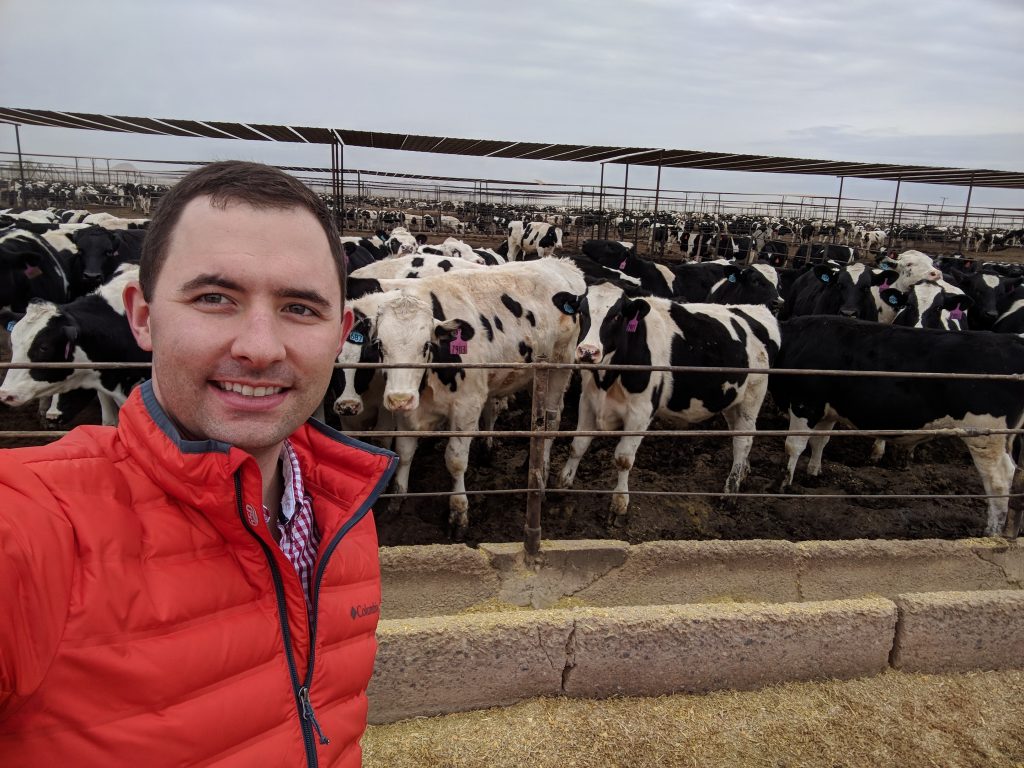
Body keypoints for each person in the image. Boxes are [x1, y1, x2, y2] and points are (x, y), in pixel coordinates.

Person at [0, 161, 397, 767]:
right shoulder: (34, 526)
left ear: (341, 333)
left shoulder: (346, 512)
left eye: (300, 308)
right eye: (214, 298)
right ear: (141, 316)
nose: (260, 348)